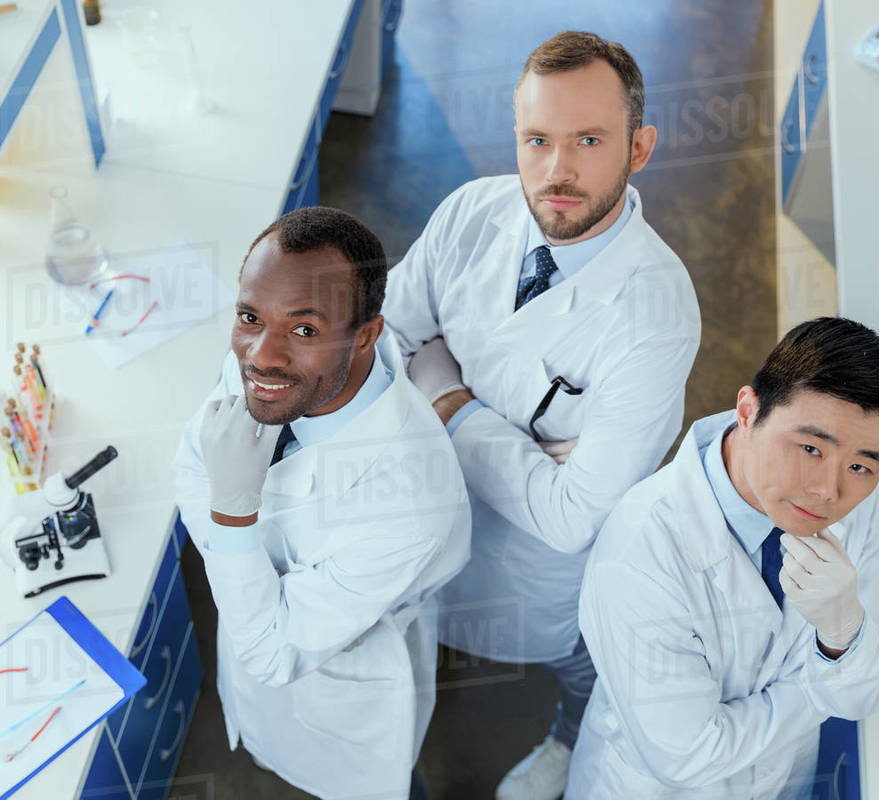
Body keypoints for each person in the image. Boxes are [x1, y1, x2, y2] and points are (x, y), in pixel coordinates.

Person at [380, 31, 701, 799]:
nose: (558, 170)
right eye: (537, 140)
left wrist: (447, 394)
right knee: (414, 632)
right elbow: (386, 334)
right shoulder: (472, 213)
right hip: (428, 512)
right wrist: (525, 447)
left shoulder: (656, 315)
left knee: (585, 661)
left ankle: (568, 736)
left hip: (541, 570)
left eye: (589, 140)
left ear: (640, 146)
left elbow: (568, 518)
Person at [172, 206, 471, 800]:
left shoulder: (410, 500)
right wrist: (251, 568)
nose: (262, 354)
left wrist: (233, 516)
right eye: (249, 316)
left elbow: (274, 654)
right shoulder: (265, 366)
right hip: (272, 641)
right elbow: (186, 467)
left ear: (366, 335)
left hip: (347, 677)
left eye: (305, 329)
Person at [568, 317, 879, 799]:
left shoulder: (852, 500)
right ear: (749, 411)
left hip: (785, 778)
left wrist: (842, 633)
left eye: (860, 466)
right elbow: (687, 755)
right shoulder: (638, 553)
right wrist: (824, 680)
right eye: (811, 448)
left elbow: (871, 691)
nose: (827, 491)